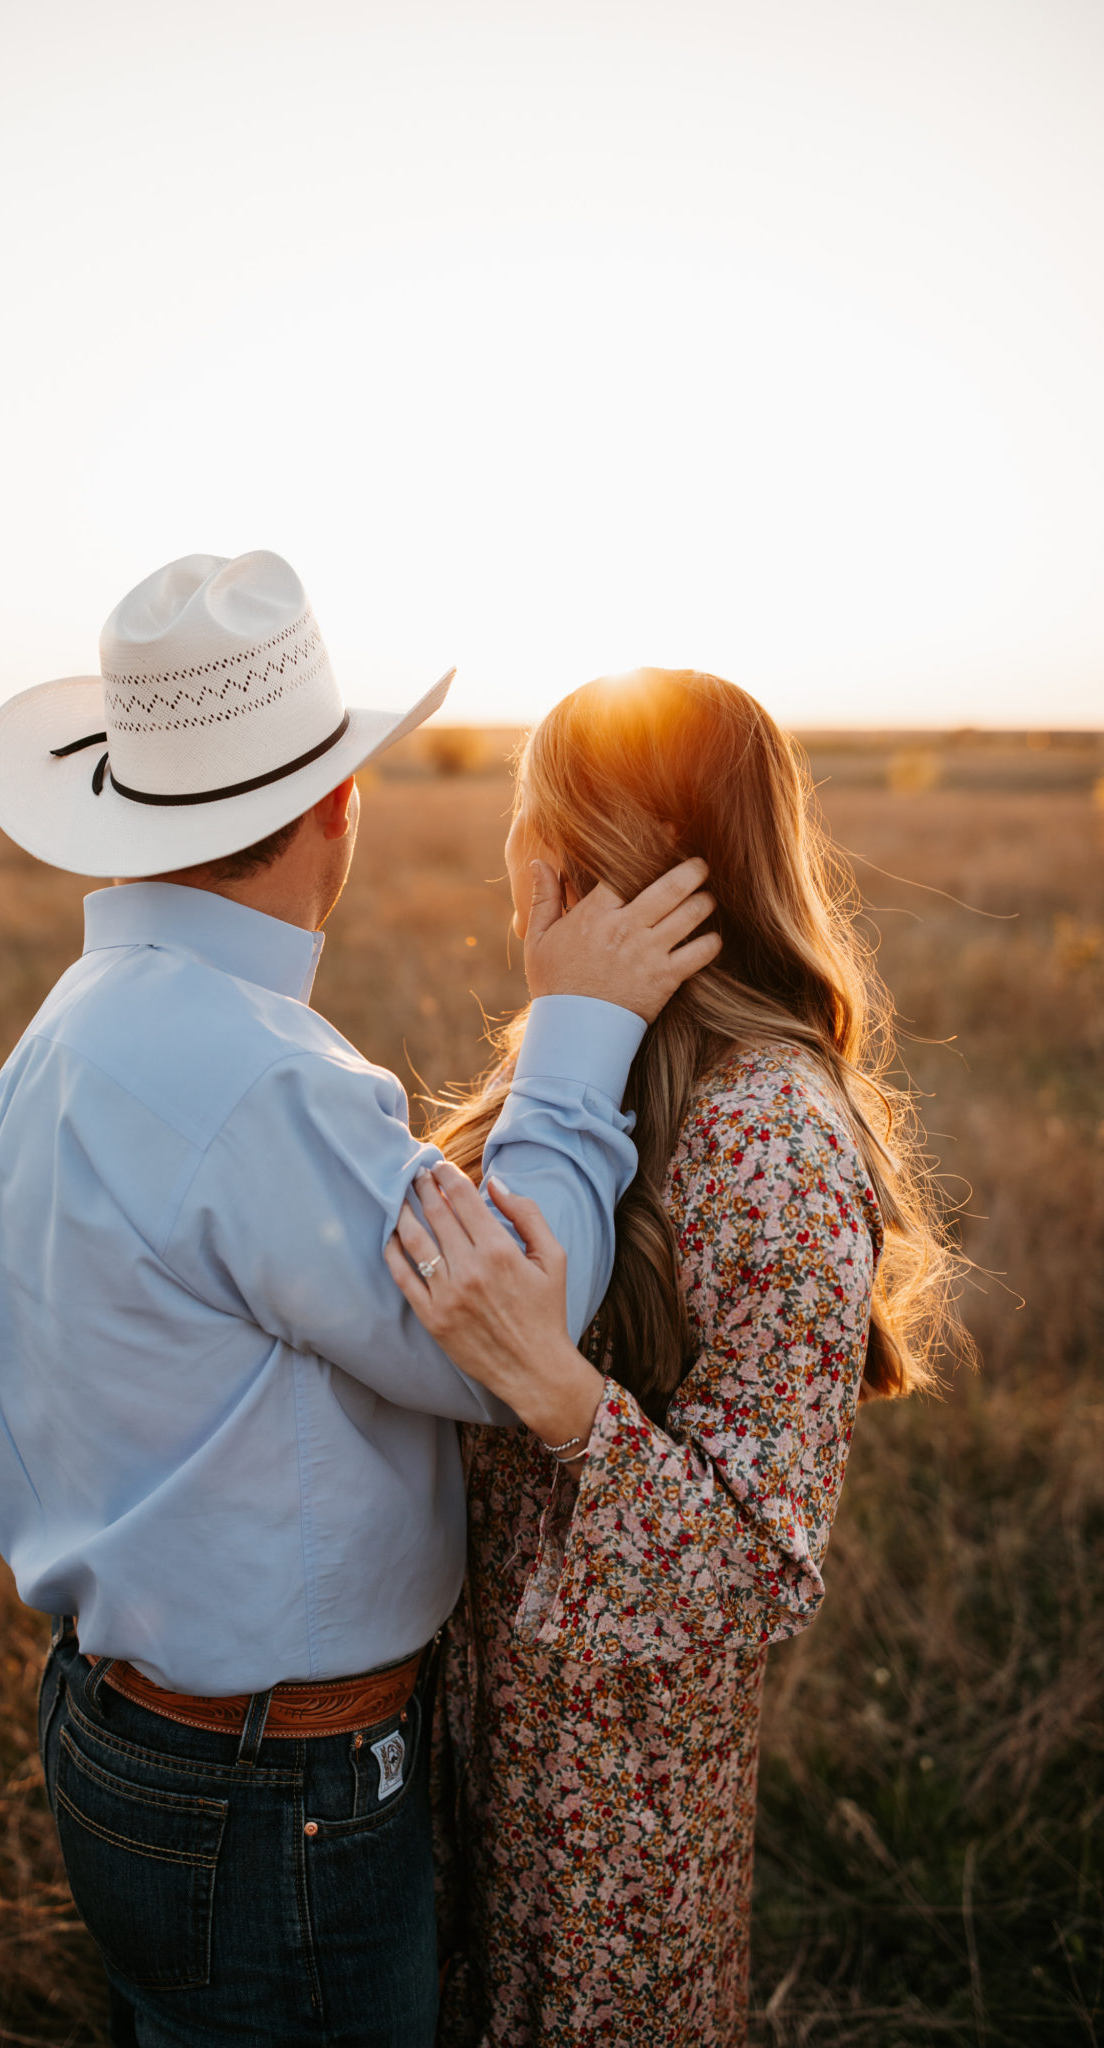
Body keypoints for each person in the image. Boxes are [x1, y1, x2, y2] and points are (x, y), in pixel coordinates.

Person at [0, 555, 720, 2048]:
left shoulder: (68, 1030)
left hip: (125, 1735)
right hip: (267, 1791)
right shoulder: (259, 1081)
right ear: (337, 804)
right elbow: (513, 1334)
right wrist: (581, 1029)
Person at [385, 667, 965, 2047]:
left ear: (596, 853)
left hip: (616, 1812)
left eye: (535, 813)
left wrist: (557, 1392)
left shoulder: (768, 1131)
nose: (512, 853)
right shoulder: (580, 1058)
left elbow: (758, 1565)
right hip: (476, 1735)